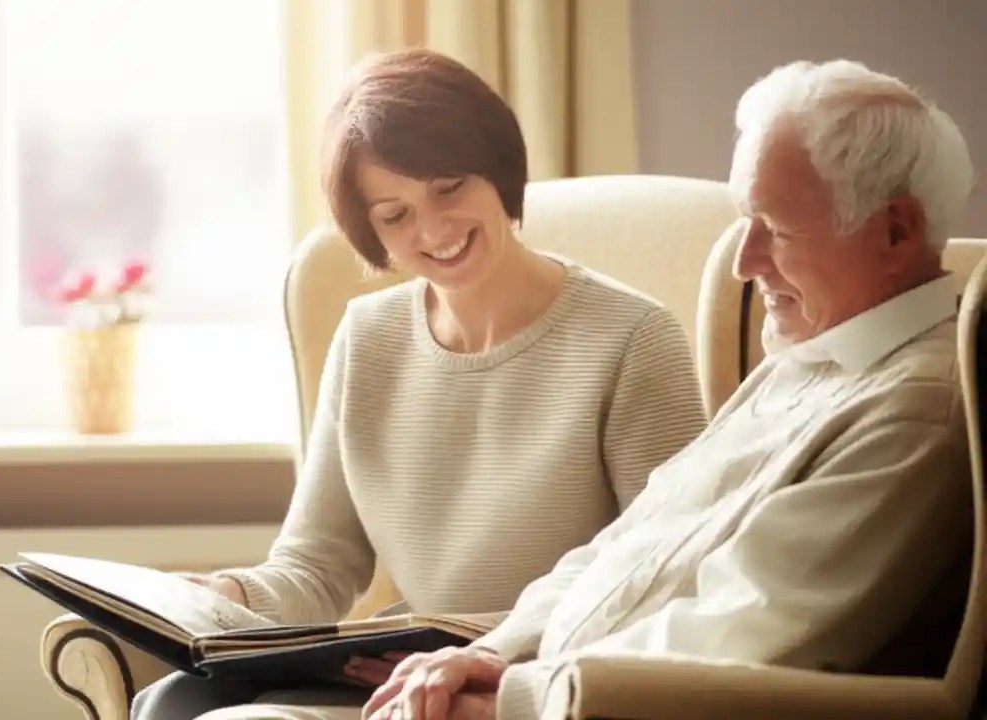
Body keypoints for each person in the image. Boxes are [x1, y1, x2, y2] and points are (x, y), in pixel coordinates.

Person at [351, 59, 978, 720]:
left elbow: (738, 639)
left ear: (896, 230)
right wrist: (494, 653)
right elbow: (621, 552)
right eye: (746, 222)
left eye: (777, 230)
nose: (745, 263)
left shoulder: (914, 411)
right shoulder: (812, 357)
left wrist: (509, 700)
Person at [129, 48, 707, 719]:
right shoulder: (366, 337)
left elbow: (662, 569)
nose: (433, 229)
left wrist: (486, 652)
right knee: (174, 702)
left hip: (536, 684)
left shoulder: (632, 338)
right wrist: (223, 595)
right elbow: (318, 565)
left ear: (496, 168)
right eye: (394, 214)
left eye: (449, 187)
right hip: (403, 680)